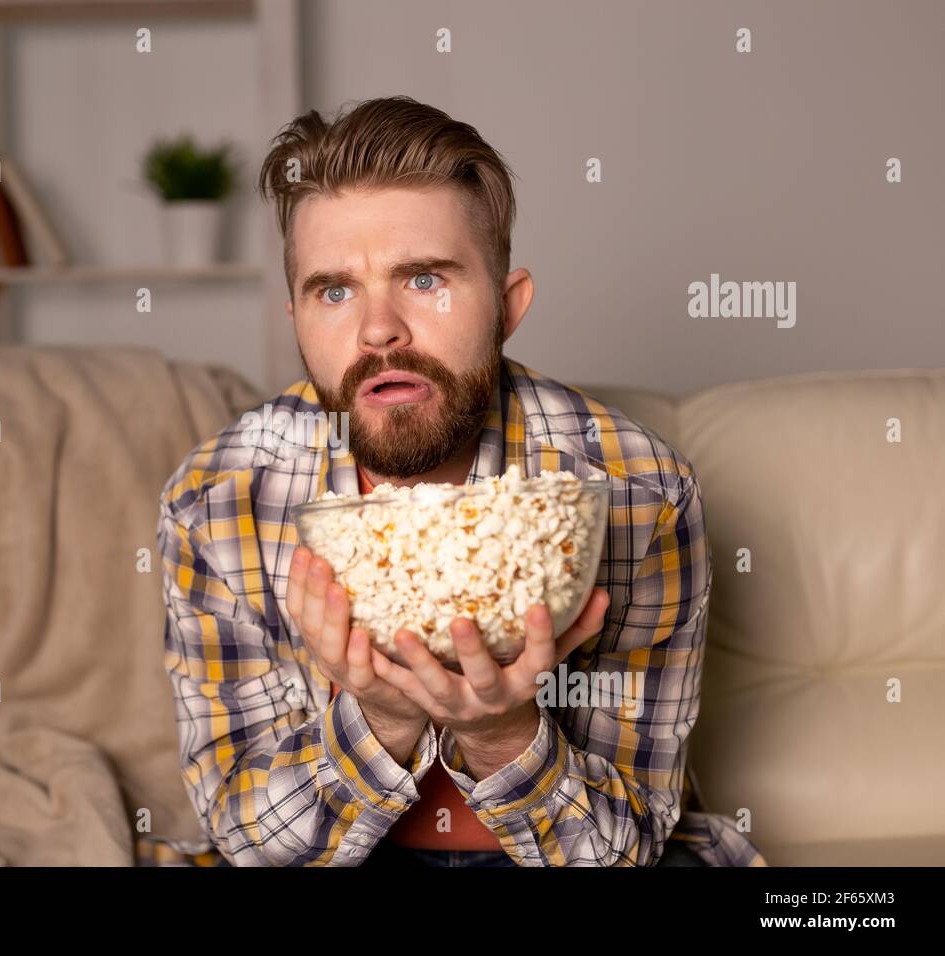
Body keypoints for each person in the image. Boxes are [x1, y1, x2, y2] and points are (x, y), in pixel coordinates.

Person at [151, 96, 766, 867]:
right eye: (334, 290)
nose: (379, 330)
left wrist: (501, 731)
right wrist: (378, 718)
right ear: (297, 319)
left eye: (424, 279)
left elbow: (623, 846)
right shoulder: (217, 501)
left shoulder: (640, 492)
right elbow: (249, 840)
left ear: (508, 307)